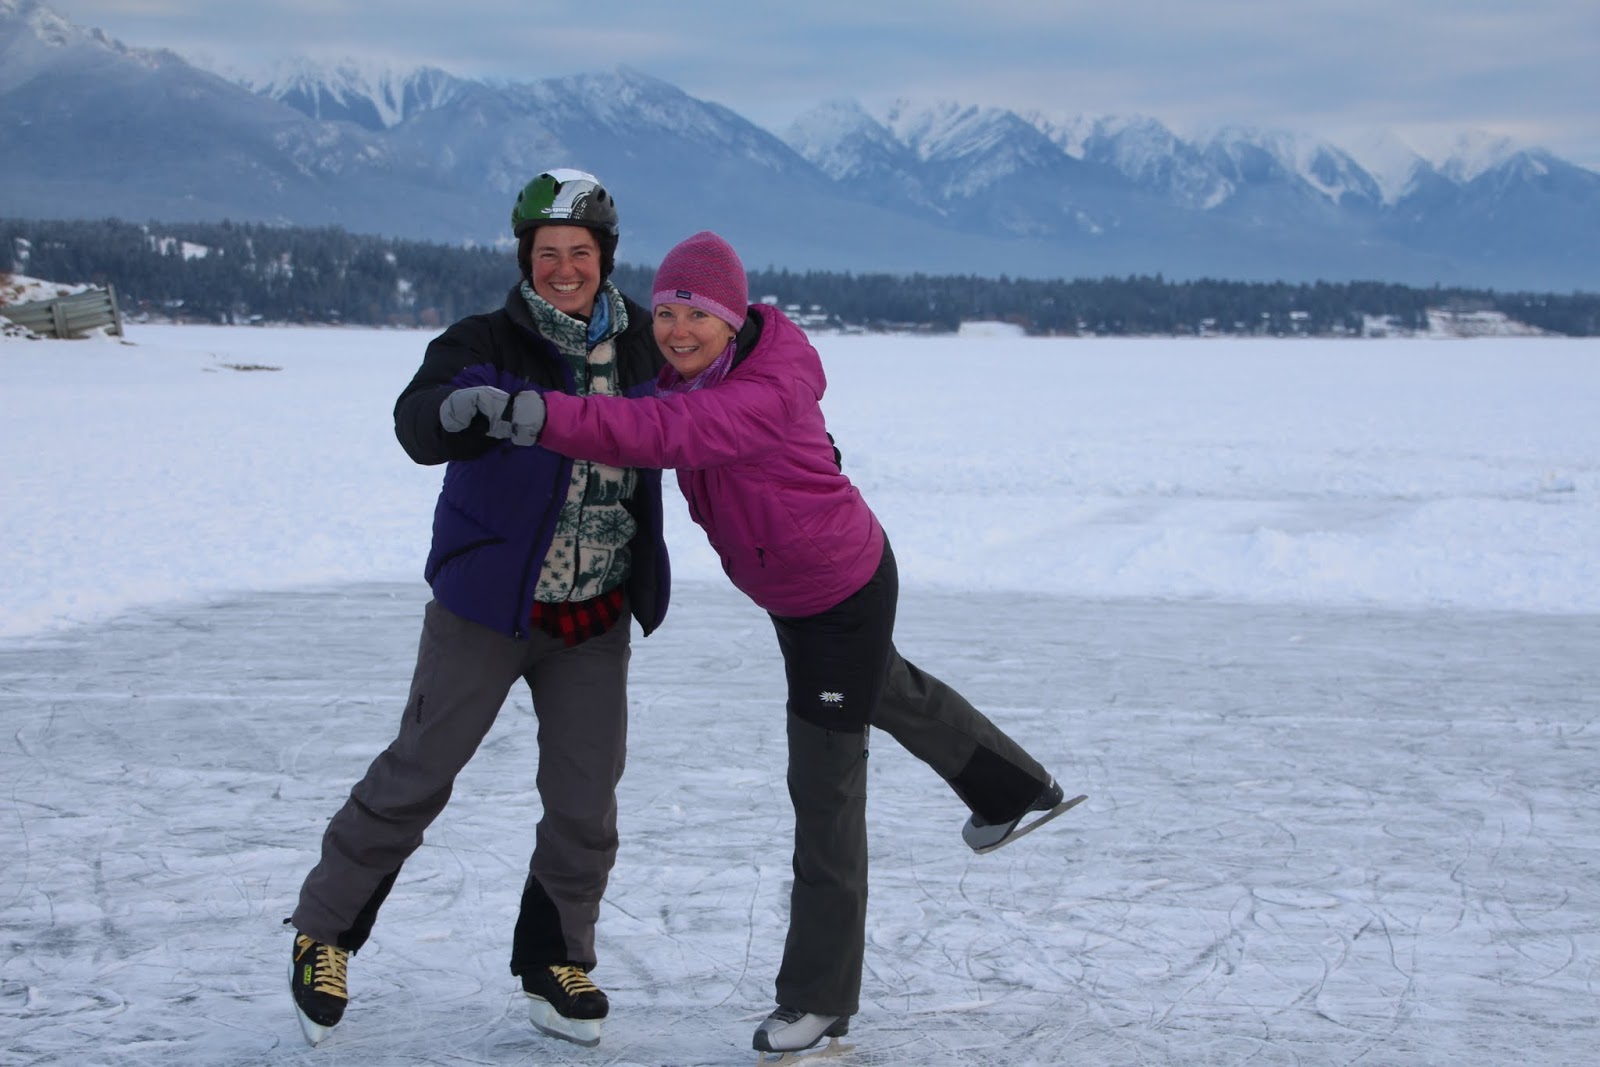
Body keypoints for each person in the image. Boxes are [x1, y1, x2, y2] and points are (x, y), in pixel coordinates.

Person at [505, 230, 1078, 1060]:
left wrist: (544, 417)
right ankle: (1015, 788)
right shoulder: (702, 368)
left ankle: (818, 998)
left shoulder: (749, 392)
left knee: (825, 791)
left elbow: (661, 431)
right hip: (805, 583)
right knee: (885, 687)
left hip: (835, 591)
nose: (676, 331)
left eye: (696, 315)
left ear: (732, 318)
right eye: (665, 313)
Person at [285, 169, 671, 1050]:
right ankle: (323, 933)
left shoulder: (645, 347)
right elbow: (417, 421)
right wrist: (454, 411)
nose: (564, 268)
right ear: (525, 258)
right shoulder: (484, 340)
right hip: (486, 608)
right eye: (548, 253)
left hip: (593, 615)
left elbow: (719, 412)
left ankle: (556, 959)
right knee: (418, 772)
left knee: (584, 800)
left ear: (605, 257)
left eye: (580, 252)